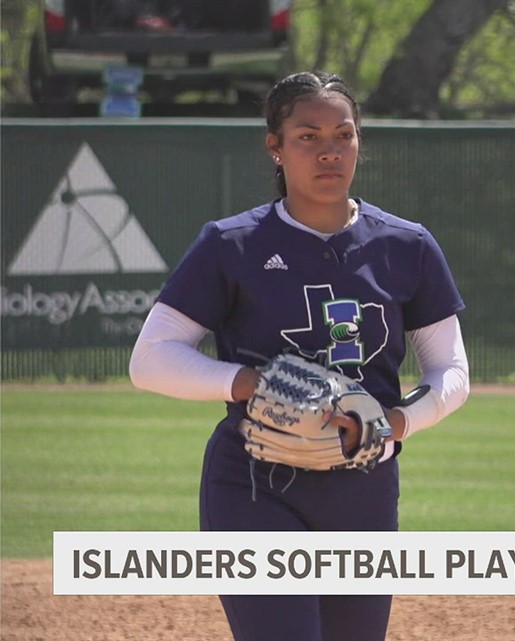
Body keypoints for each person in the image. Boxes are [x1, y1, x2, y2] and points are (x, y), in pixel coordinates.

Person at [129, 70, 470, 641]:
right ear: (276, 148)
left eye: (344, 135)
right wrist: (254, 385)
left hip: (363, 488)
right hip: (255, 484)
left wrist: (398, 422)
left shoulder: (406, 245)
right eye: (308, 136)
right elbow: (151, 359)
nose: (329, 151)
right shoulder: (231, 244)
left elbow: (452, 372)